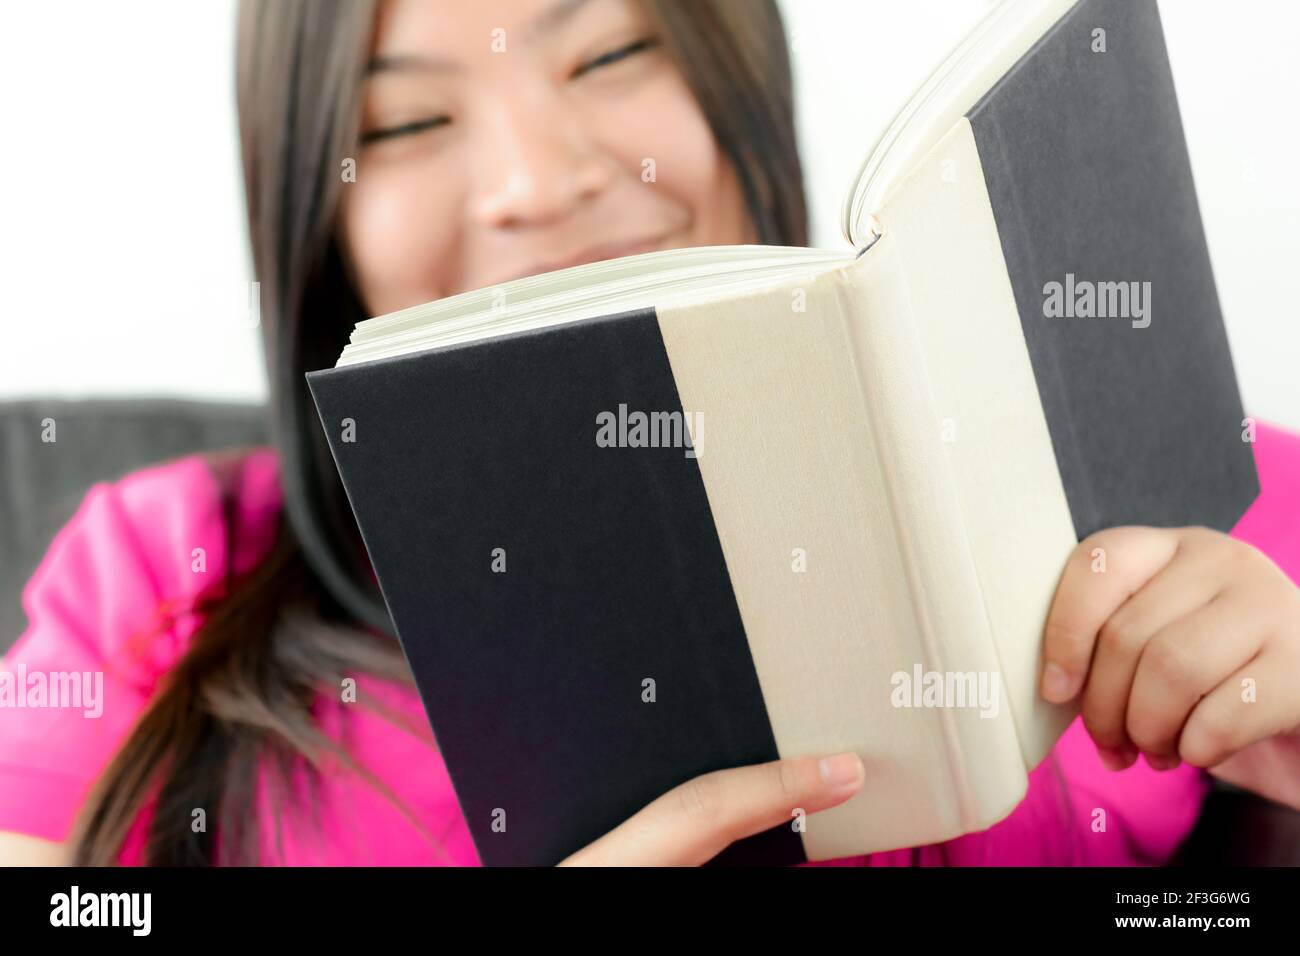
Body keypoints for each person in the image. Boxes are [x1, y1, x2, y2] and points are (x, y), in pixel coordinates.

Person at [1, 0, 1298, 866]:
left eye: (610, 54)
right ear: (315, 208)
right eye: (403, 124)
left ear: (734, 77)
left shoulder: (1203, 500)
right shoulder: (161, 570)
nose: (537, 178)